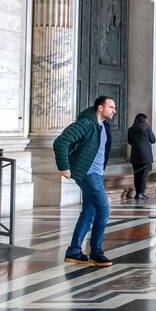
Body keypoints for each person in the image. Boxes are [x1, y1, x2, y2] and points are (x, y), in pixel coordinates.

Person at [55, 96, 117, 267]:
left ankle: (74, 250)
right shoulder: (86, 123)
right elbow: (61, 142)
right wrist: (64, 166)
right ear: (100, 108)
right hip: (87, 173)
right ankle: (96, 252)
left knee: (89, 211)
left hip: (96, 173)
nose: (114, 110)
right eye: (111, 107)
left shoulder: (103, 125)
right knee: (104, 208)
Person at [126, 112, 156, 201]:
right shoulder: (146, 127)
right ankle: (141, 193)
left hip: (135, 155)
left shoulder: (131, 129)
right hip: (145, 155)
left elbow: (130, 142)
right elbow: (153, 140)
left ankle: (137, 192)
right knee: (144, 175)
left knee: (137, 174)